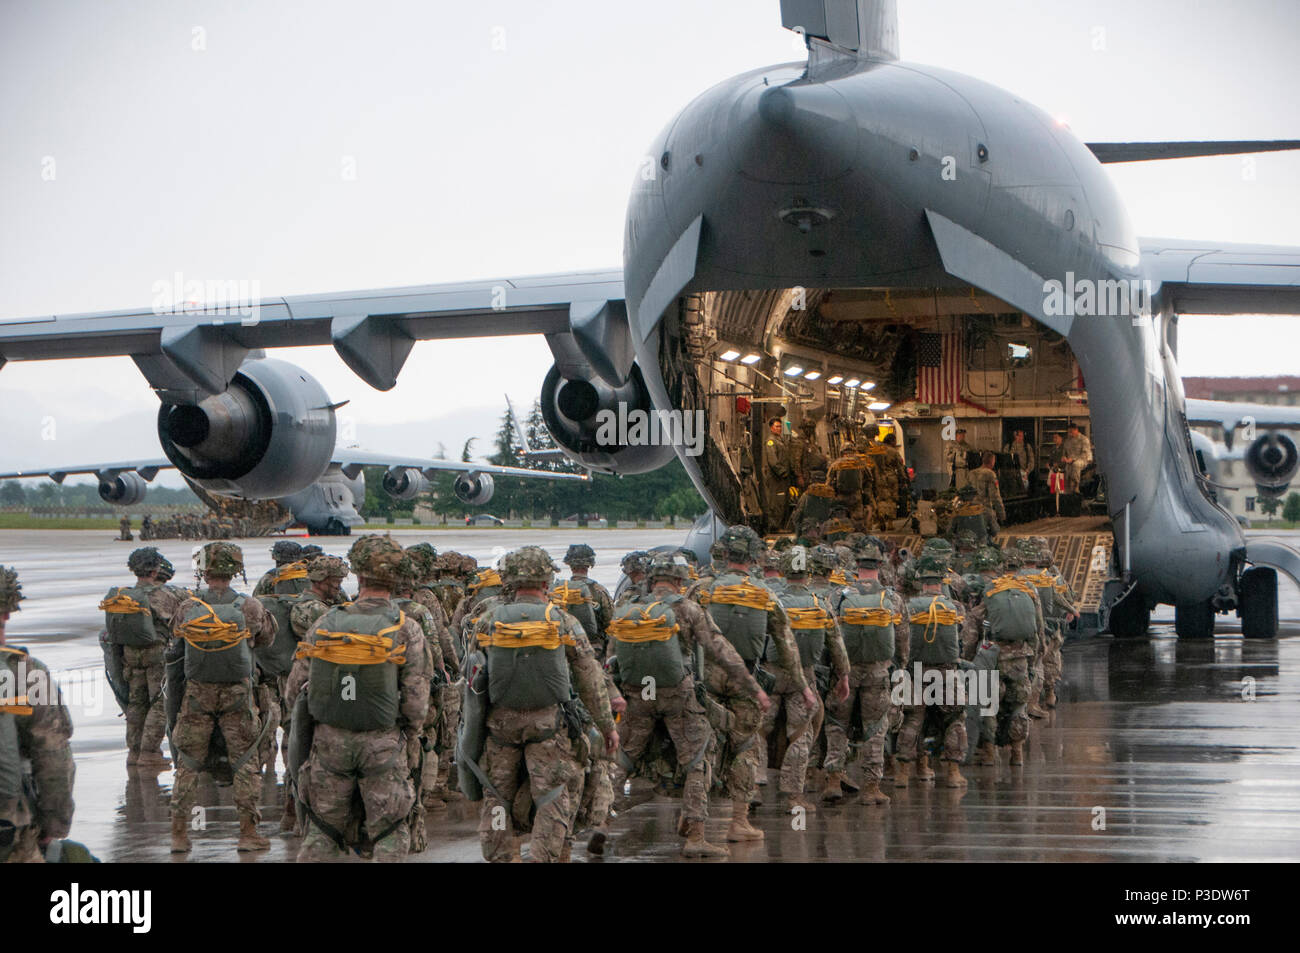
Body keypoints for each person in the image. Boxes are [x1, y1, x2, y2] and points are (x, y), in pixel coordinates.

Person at [464, 546, 616, 863]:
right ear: (547, 582)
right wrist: (607, 726)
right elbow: (590, 680)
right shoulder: (564, 621)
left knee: (497, 796)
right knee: (553, 796)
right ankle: (542, 856)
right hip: (549, 726)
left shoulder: (487, 621)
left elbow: (472, 678)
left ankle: (503, 855)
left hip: (500, 727)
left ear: (509, 582)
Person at [611, 553, 767, 857]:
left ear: (652, 579)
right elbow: (719, 650)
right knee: (697, 759)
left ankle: (603, 823)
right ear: (680, 581)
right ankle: (695, 835)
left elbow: (612, 658)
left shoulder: (628, 610)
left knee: (624, 758)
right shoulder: (687, 608)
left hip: (639, 694)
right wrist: (753, 687)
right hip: (677, 695)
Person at [287, 536, 430, 862]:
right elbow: (416, 699)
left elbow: (295, 689)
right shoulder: (406, 628)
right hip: (382, 742)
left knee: (321, 831)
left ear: (359, 577)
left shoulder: (326, 622)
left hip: (329, 743)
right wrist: (409, 732)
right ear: (395, 579)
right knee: (390, 830)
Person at [691, 526, 805, 835]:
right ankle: (738, 822)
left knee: (703, 746)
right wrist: (803, 686)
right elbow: (786, 644)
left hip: (709, 678)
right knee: (745, 748)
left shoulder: (703, 589)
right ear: (754, 557)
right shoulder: (765, 594)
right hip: (747, 678)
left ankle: (695, 823)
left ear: (724, 555)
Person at [168, 542, 277, 853]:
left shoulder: (188, 607)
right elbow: (266, 640)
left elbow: (175, 638)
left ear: (204, 571)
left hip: (196, 694)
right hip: (238, 694)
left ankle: (179, 834)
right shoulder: (250, 606)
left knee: (188, 762)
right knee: (245, 761)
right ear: (235, 570)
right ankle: (247, 833)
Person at [762, 548, 850, 814]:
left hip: (771, 674)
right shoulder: (819, 603)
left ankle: (753, 786)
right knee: (801, 734)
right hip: (806, 677)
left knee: (758, 731)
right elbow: (836, 642)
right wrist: (843, 675)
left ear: (785, 570)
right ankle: (793, 797)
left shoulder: (771, 600)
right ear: (808, 572)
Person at [0, 565, 76, 863]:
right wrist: (53, 824)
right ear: (6, 613)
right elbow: (53, 755)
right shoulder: (25, 673)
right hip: (9, 829)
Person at [823, 540, 904, 805]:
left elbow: (830, 634)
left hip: (845, 672)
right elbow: (903, 638)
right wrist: (898, 666)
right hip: (878, 672)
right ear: (880, 565)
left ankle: (833, 780)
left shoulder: (838, 596)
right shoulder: (892, 598)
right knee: (876, 728)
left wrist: (834, 668)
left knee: (837, 725)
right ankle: (872, 787)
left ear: (857, 566)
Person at [99, 546, 182, 769]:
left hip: (130, 659)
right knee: (159, 704)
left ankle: (134, 752)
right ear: (155, 571)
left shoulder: (123, 596)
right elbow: (179, 621)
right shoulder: (161, 596)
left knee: (136, 704)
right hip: (156, 658)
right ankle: (150, 753)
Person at [896, 555, 968, 788]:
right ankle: (953, 773)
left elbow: (900, 639)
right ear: (942, 580)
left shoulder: (907, 607)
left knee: (913, 719)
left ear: (920, 581)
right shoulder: (955, 607)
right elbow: (963, 639)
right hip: (946, 672)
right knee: (954, 719)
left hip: (915, 672)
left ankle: (903, 773)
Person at [762, 416, 797, 533]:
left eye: (780, 426)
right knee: (776, 502)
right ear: (771, 428)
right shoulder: (770, 442)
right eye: (776, 426)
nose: (779, 428)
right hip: (776, 478)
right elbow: (773, 461)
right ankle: (774, 527)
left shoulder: (781, 440)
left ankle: (780, 526)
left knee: (784, 501)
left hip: (783, 478)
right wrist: (782, 472)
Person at [969, 452, 1007, 533]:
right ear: (992, 462)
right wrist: (1001, 514)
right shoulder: (990, 474)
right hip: (984, 511)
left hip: (971, 510)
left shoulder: (971, 473)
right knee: (995, 531)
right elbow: (995, 496)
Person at [1062, 423, 1093, 493]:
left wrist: (1073, 459)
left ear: (1076, 430)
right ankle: (1068, 488)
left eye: (1071, 432)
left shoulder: (1084, 439)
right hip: (1070, 461)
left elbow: (1085, 454)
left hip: (1083, 460)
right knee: (1067, 467)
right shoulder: (1067, 441)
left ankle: (1076, 485)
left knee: (1076, 465)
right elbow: (1064, 452)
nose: (1070, 434)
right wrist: (1064, 457)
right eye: (1069, 432)